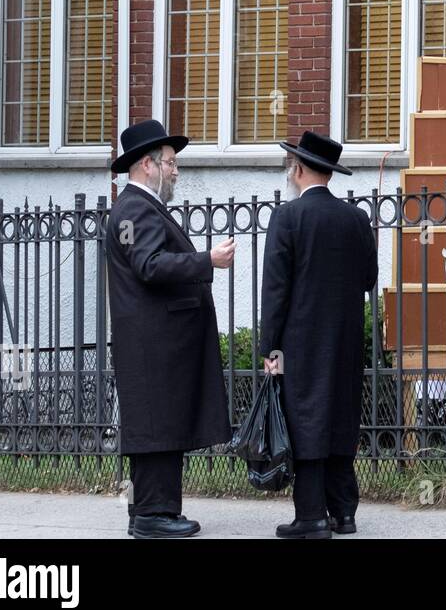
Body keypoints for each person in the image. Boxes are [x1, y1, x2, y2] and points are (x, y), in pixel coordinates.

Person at [105, 119, 236, 538]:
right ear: (148, 164)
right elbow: (149, 265)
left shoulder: (139, 207)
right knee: (157, 426)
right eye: (171, 162)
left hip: (157, 343)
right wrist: (206, 260)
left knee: (159, 424)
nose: (176, 170)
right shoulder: (133, 209)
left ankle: (149, 510)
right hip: (153, 344)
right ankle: (154, 515)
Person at [259, 130, 379, 539]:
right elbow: (368, 278)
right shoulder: (356, 219)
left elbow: (275, 290)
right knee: (340, 417)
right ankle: (344, 513)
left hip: (300, 341)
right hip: (345, 338)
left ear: (298, 169)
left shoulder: (287, 217)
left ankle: (310, 516)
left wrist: (270, 346)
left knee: (305, 419)